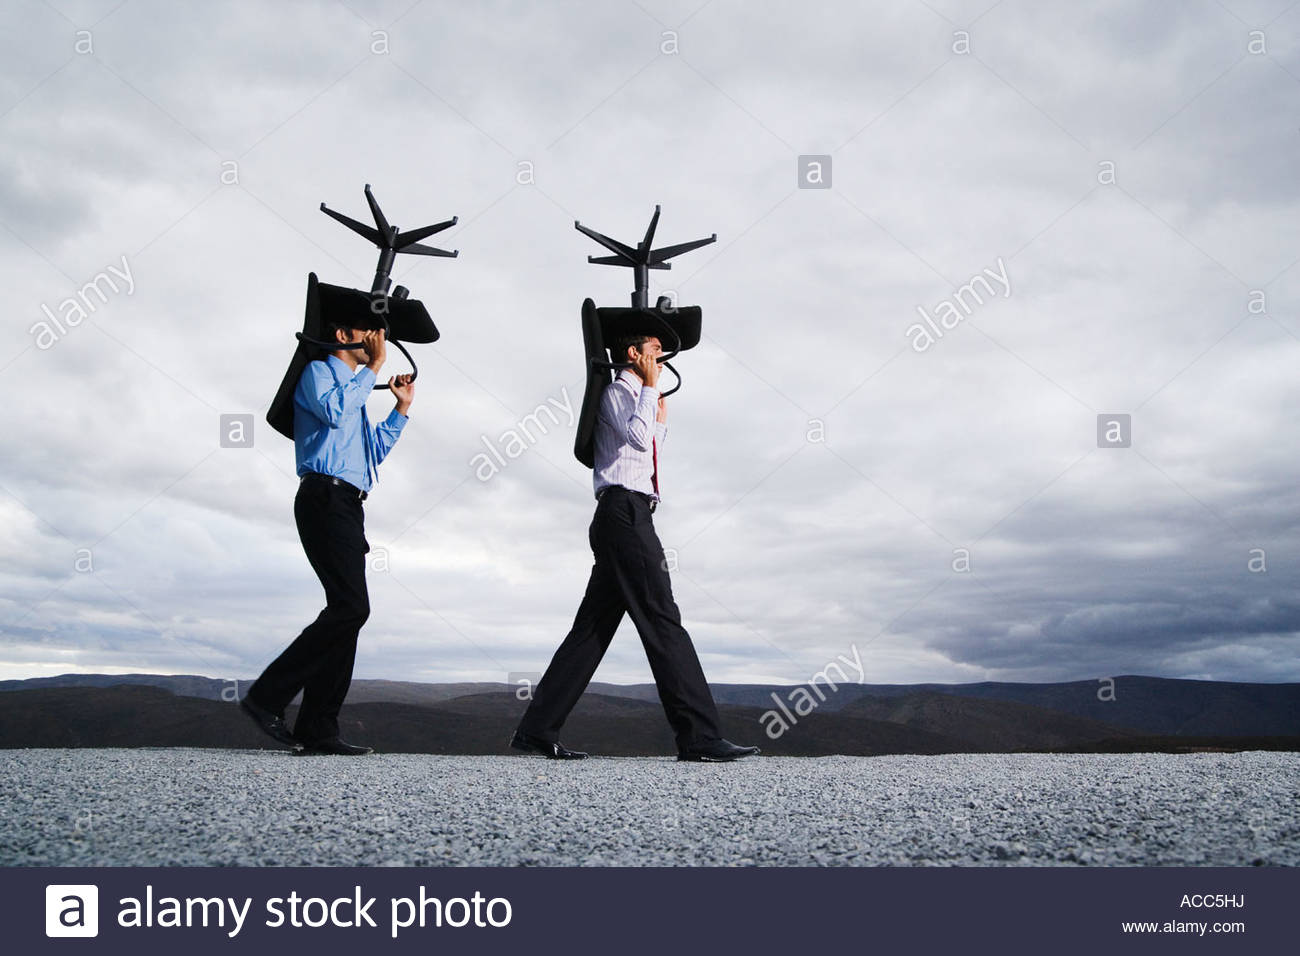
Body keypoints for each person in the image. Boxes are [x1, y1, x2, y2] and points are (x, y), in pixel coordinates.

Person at [512, 333, 760, 762]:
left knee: (592, 629)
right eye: (654, 348)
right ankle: (698, 736)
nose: (661, 356)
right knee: (663, 617)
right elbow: (638, 439)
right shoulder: (616, 391)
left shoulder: (638, 396)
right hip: (623, 512)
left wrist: (660, 412)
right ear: (633, 353)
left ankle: (536, 729)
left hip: (627, 511)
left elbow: (645, 449)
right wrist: (649, 390)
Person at [241, 323, 414, 755]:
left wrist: (400, 411)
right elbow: (334, 412)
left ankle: (319, 729)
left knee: (347, 614)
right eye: (368, 331)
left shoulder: (355, 391)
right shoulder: (318, 374)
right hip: (323, 496)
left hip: (349, 504)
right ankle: (266, 697)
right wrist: (373, 366)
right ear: (342, 335)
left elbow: (371, 452)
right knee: (352, 607)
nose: (378, 338)